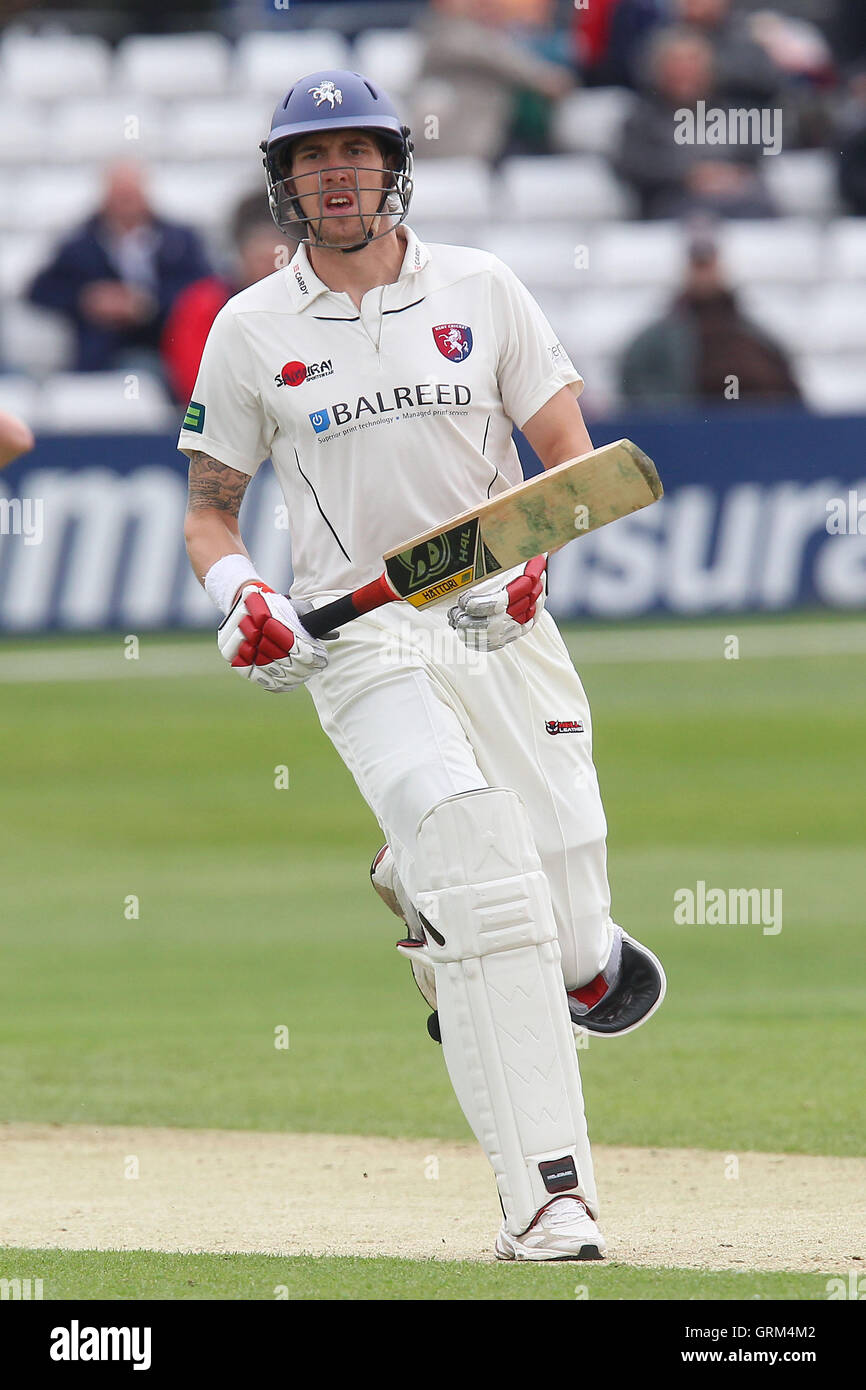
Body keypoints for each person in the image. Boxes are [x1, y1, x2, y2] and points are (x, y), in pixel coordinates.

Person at [179, 69, 666, 1262]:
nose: (332, 174)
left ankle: (435, 894)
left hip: (498, 624)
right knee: (483, 878)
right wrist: (241, 594)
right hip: (363, 646)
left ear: (393, 165)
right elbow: (209, 511)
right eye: (308, 158)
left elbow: (574, 464)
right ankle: (548, 1202)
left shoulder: (482, 289)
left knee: (574, 957)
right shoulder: (250, 329)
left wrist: (528, 557)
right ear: (282, 182)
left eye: (353, 151)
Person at [28, 161, 212, 374]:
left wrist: (147, 304)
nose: (126, 204)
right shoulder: (79, 244)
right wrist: (88, 299)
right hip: (98, 358)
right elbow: (40, 290)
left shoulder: (180, 240)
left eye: (131, 196)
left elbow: (203, 287)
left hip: (167, 350)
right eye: (120, 197)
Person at [615, 28, 777, 219]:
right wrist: (689, 176)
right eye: (677, 65)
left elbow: (754, 160)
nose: (686, 73)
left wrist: (729, 175)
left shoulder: (734, 115)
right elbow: (633, 166)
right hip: (672, 207)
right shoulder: (641, 120)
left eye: (693, 65)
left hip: (737, 203)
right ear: (660, 71)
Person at [621, 233, 801, 403]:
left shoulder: (755, 337)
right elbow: (634, 390)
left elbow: (789, 391)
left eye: (708, 265)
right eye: (698, 266)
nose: (704, 275)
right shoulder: (655, 341)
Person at [161, 192, 297, 404]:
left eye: (276, 258)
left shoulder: (305, 301)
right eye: (260, 259)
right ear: (242, 256)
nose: (269, 268)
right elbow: (192, 373)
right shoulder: (205, 302)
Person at [409, 0, 574, 162]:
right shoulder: (443, 32)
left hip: (494, 138)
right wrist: (543, 78)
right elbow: (495, 57)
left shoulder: (483, 30)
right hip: (462, 144)